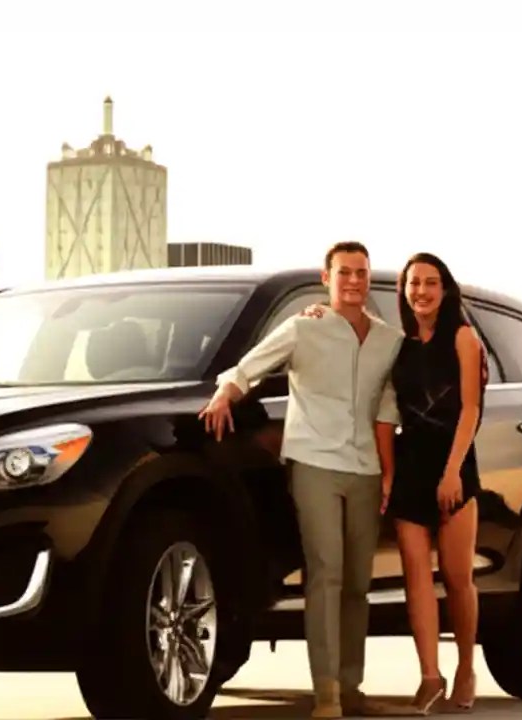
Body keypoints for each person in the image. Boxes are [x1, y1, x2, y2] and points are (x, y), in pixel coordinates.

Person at [199, 241, 405, 719]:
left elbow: (388, 408)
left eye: (361, 273)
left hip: (367, 469)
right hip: (313, 463)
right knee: (325, 572)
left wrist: (388, 471)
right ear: (326, 278)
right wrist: (225, 394)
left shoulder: (389, 340)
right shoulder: (303, 328)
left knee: (357, 583)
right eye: (344, 272)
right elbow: (251, 366)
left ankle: (351, 688)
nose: (353, 281)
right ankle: (326, 693)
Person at [302, 252, 487, 714]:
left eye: (430, 282)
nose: (421, 291)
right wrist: (388, 474)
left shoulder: (463, 338)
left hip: (454, 468)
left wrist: (452, 473)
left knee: (458, 578)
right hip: (411, 469)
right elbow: (384, 413)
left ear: (445, 289)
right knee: (416, 580)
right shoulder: (399, 346)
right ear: (403, 291)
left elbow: (471, 409)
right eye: (413, 283)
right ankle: (430, 677)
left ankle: (466, 667)